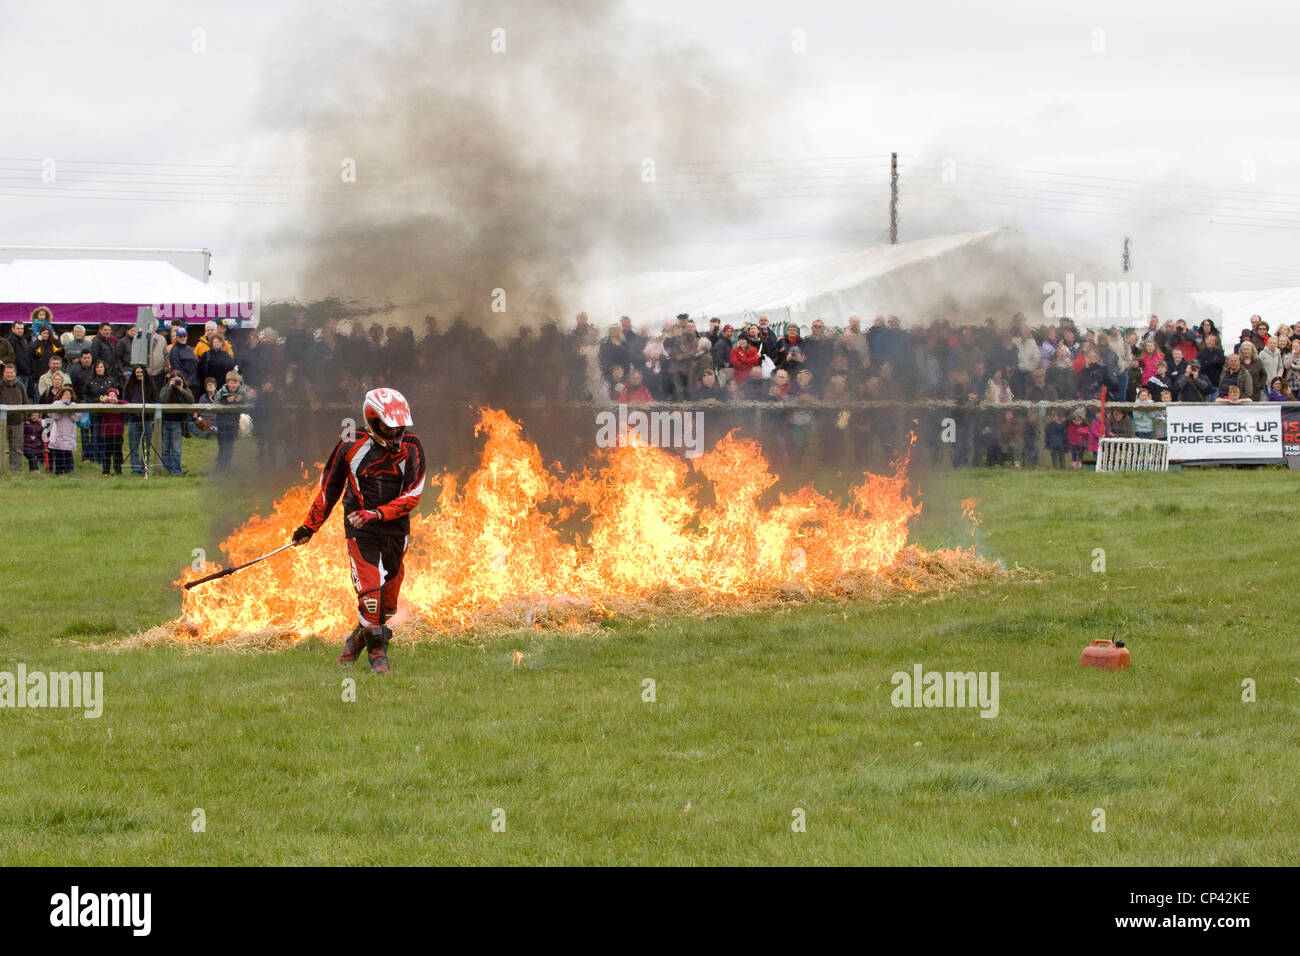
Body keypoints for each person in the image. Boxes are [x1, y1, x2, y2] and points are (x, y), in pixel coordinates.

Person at [291, 388, 426, 675]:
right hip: (360, 532)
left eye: (400, 426)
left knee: (387, 606)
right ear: (372, 420)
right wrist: (309, 527)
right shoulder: (350, 444)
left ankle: (355, 641)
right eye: (390, 426)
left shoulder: (413, 446)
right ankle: (379, 656)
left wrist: (377, 514)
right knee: (370, 594)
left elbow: (413, 494)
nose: (396, 432)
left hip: (396, 532)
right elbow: (329, 490)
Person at [157, 373, 193, 476]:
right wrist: (170, 387)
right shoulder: (165, 389)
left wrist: (181, 389)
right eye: (174, 379)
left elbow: (191, 400)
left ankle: (176, 470)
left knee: (176, 449)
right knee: (165, 448)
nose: (176, 382)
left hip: (178, 422)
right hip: (166, 421)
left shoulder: (185, 390)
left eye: (178, 379)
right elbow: (162, 400)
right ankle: (166, 470)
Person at [43, 386, 78, 475]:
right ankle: (58, 472)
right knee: (59, 453)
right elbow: (53, 416)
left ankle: (69, 472)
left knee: (68, 453)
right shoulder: (55, 404)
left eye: (69, 394)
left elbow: (77, 417)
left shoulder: (74, 405)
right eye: (65, 394)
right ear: (61, 395)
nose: (67, 396)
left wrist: (70, 411)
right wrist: (62, 409)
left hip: (69, 431)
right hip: (58, 431)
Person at [1, 364, 25, 472]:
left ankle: (15, 471)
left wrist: (25, 417)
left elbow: (25, 402)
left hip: (17, 422)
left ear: (15, 373)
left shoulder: (20, 385)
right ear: (3, 373)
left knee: (17, 448)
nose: (10, 374)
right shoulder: (0, 386)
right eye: (7, 372)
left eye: (12, 372)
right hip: (2, 422)